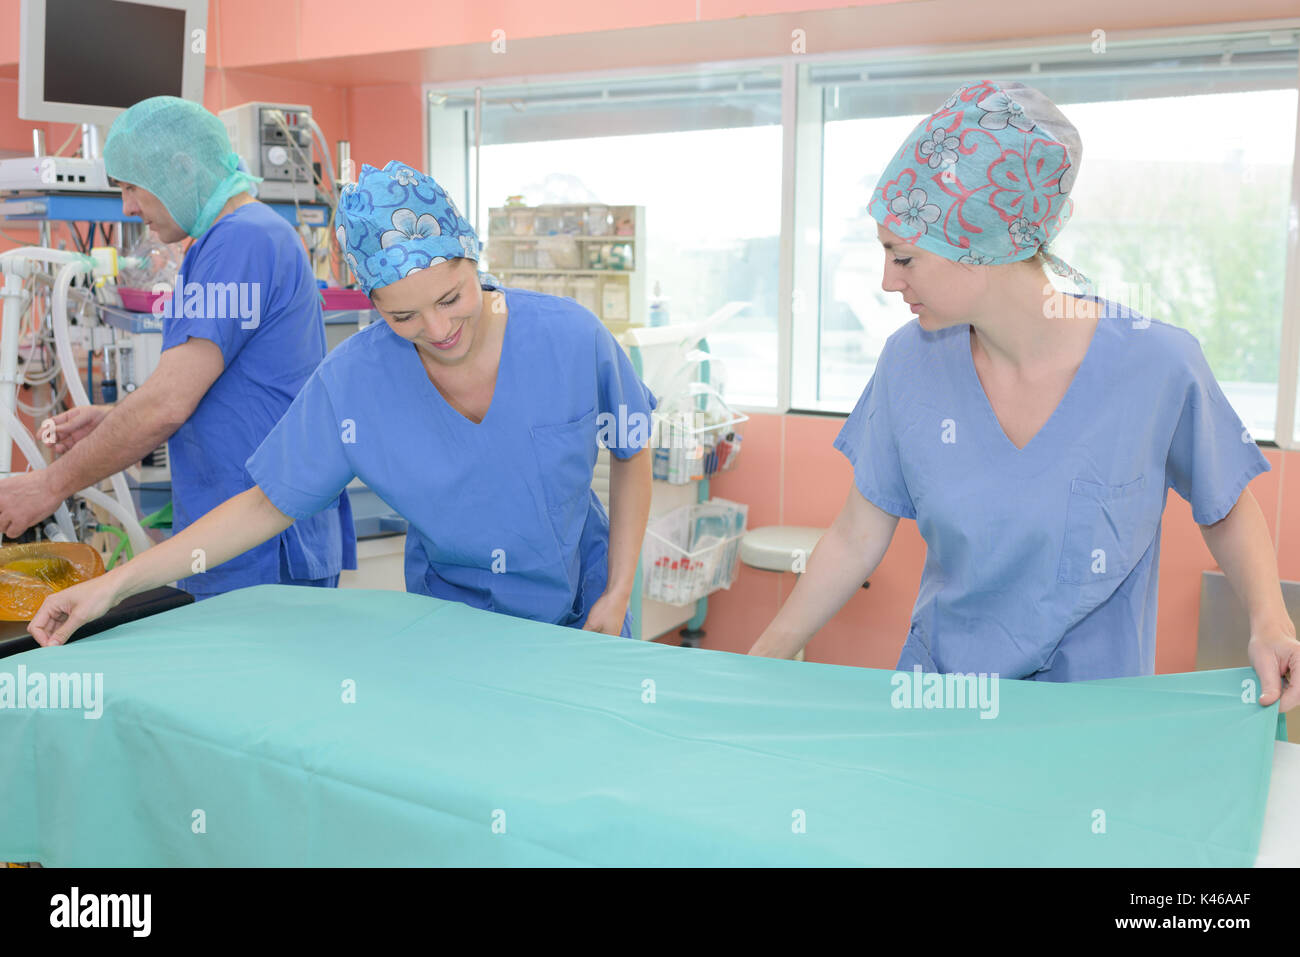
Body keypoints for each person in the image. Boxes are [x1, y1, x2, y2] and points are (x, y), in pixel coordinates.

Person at [749, 80, 1299, 711]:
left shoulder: (1156, 363)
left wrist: (1269, 620)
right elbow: (854, 537)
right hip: (941, 707)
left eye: (902, 257)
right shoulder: (910, 364)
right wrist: (758, 664)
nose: (885, 280)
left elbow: (1224, 501)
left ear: (978, 245)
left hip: (1087, 721)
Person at [28, 160, 655, 645]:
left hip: (587, 612)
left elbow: (633, 447)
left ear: (472, 259)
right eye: (403, 314)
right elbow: (263, 506)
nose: (438, 331)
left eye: (451, 297)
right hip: (459, 628)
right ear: (372, 305)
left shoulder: (569, 338)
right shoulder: (357, 380)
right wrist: (112, 587)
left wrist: (620, 589)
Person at [0, 96, 355, 598]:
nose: (125, 206)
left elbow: (168, 404)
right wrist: (115, 419)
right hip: (242, 536)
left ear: (180, 170)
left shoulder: (241, 241)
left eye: (130, 186)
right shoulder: (233, 240)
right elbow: (209, 389)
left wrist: (48, 485)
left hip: (259, 546)